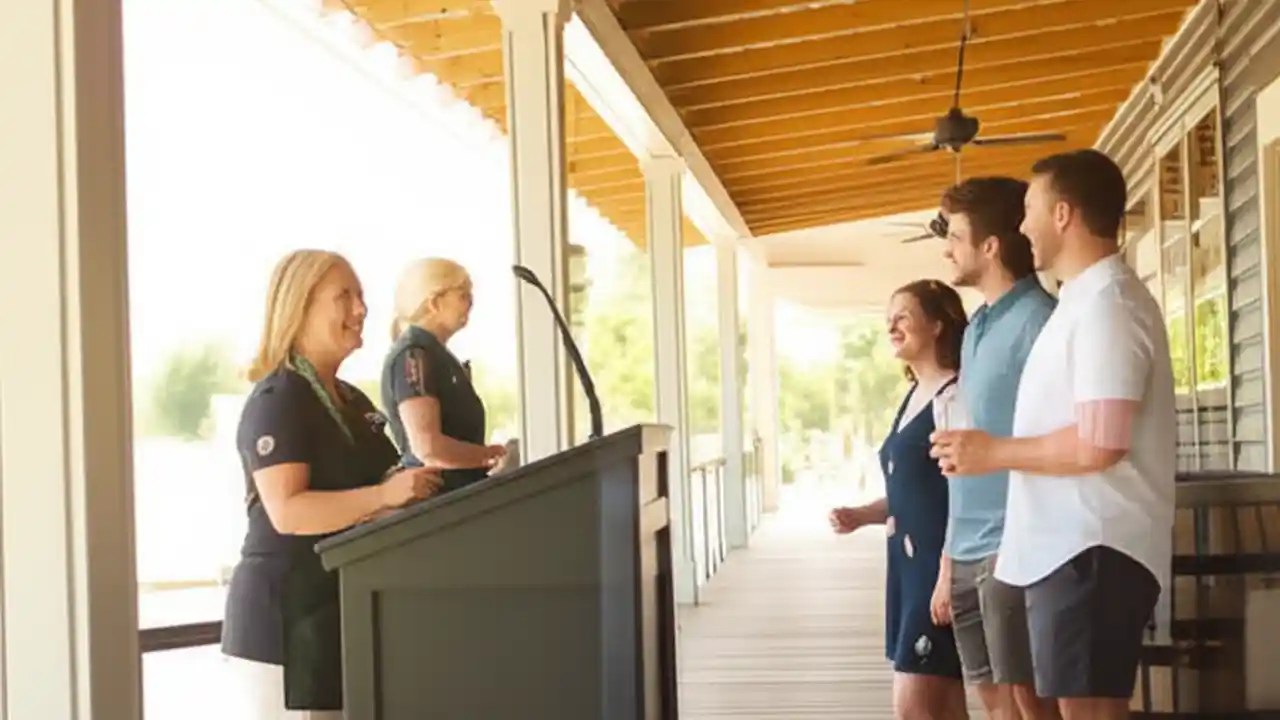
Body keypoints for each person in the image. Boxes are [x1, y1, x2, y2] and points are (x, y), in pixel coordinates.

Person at [931, 149, 1176, 720]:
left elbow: (1101, 441)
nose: (1021, 227)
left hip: (1092, 549)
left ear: (1063, 213)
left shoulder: (1108, 307)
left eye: (1031, 210)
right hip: (1067, 552)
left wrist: (995, 453)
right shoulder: (1080, 301)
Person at [221, 250, 442, 719]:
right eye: (345, 296)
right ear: (300, 306)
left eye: (361, 296)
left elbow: (378, 497)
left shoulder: (351, 400)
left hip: (339, 617)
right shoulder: (278, 398)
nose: (362, 309)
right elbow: (288, 511)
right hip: (286, 627)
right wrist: (385, 496)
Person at [935, 178, 1059, 719]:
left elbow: (1062, 428)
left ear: (989, 247)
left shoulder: (1041, 319)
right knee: (992, 701)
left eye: (956, 236)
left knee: (1030, 701)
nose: (948, 248)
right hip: (965, 541)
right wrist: (946, 555)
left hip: (1015, 539)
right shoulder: (977, 325)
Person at [830, 279, 970, 720]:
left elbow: (966, 492)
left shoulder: (954, 397)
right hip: (909, 573)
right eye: (887, 318)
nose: (891, 326)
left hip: (936, 570)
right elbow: (910, 490)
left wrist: (948, 575)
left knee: (913, 709)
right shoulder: (914, 396)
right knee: (944, 709)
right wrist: (863, 514)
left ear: (938, 325)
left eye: (903, 317)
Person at [381, 258, 506, 494]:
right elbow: (428, 447)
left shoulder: (435, 355)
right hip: (439, 501)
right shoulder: (414, 355)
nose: (471, 303)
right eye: (463, 295)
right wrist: (488, 456)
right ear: (435, 302)